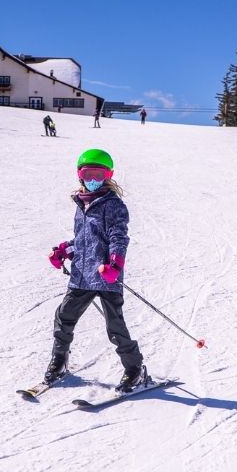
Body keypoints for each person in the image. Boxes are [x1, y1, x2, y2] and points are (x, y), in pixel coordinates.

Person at [45, 148, 145, 394]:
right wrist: (64, 251)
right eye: (88, 173)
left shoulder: (113, 205)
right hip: (81, 275)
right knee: (64, 318)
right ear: (80, 175)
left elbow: (118, 237)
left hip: (106, 276)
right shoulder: (81, 204)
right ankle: (59, 361)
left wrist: (115, 264)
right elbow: (83, 239)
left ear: (108, 176)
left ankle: (135, 369)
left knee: (115, 327)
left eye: (99, 175)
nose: (93, 179)